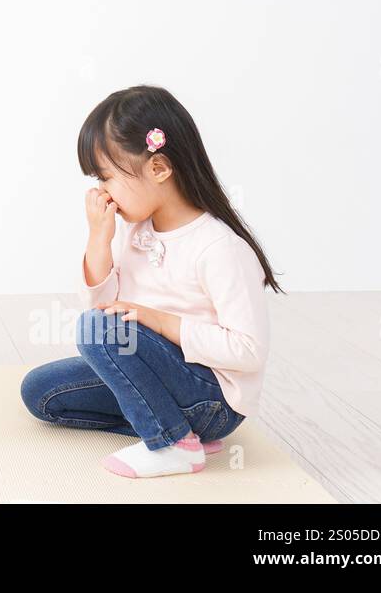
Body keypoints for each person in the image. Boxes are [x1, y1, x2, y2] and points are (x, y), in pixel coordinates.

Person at [20, 85, 280, 478]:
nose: (100, 191)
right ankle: (176, 429)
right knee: (42, 392)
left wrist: (159, 321)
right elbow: (101, 310)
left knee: (97, 329)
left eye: (106, 177)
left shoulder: (219, 248)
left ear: (158, 168)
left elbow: (248, 351)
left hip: (213, 400)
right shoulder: (135, 231)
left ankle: (173, 443)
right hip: (163, 382)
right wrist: (98, 238)